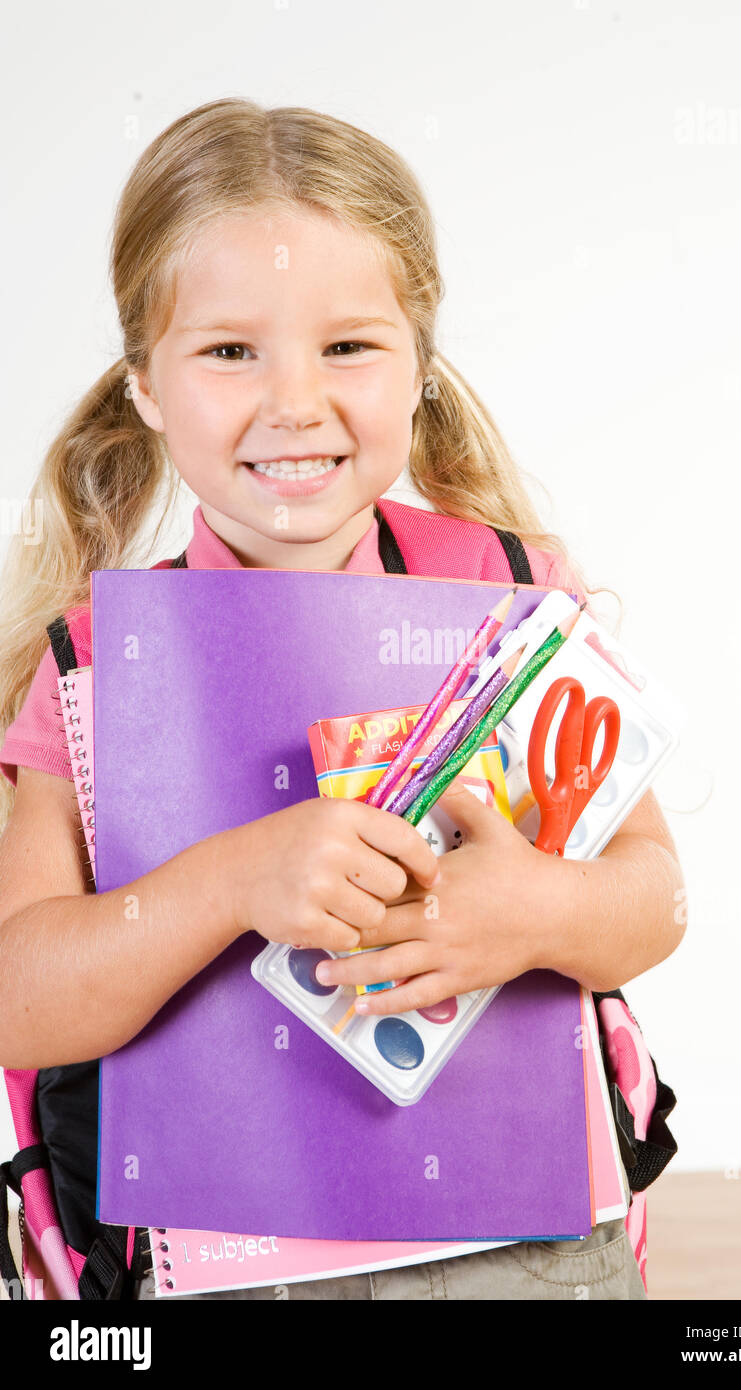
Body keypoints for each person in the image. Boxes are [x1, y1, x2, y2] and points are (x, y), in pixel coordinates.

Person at [0, 99, 685, 1300]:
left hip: (515, 1249)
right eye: (227, 352)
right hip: (221, 1262)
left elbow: (655, 900)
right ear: (146, 387)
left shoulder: (512, 597)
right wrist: (230, 881)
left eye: (348, 346)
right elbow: (19, 1002)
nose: (293, 402)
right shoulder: (97, 660)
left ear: (418, 365)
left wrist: (531, 912)